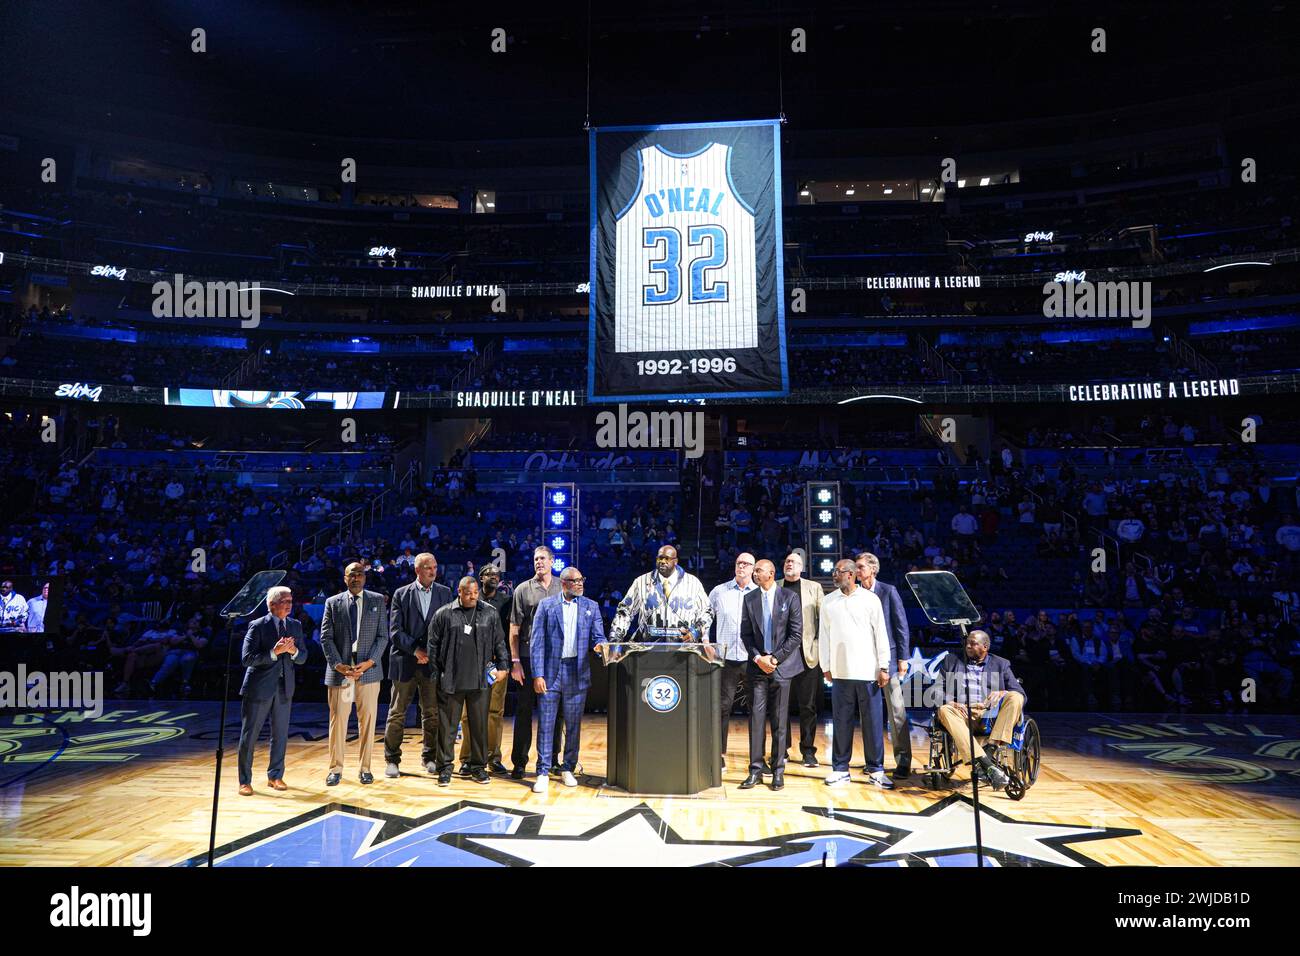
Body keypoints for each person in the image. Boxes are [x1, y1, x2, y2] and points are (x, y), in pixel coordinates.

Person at [528, 566, 607, 792]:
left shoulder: (591, 606)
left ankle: (567, 768)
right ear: (564, 584)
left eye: (582, 580)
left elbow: (599, 637)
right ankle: (542, 771)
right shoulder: (546, 605)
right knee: (546, 724)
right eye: (575, 581)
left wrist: (600, 647)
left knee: (573, 725)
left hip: (577, 672)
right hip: (551, 672)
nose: (580, 584)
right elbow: (537, 642)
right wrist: (538, 674)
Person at [428, 576, 510, 786]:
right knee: (447, 728)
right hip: (451, 681)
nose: (473, 596)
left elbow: (499, 641)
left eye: (475, 593)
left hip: (480, 680)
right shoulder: (444, 613)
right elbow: (433, 646)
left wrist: (503, 666)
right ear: (459, 592)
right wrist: (437, 675)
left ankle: (478, 768)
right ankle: (445, 768)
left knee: (479, 727)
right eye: (468, 593)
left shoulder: (489, 613)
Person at [820, 560, 893, 789]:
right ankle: (840, 769)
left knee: (872, 723)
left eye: (838, 572)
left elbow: (881, 634)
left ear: (850, 574)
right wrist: (826, 666)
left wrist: (884, 666)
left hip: (868, 671)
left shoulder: (870, 600)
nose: (834, 575)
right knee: (841, 722)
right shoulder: (828, 601)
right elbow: (824, 636)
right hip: (840, 672)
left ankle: (876, 770)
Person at [319, 562, 390, 786]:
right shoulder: (332, 602)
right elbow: (326, 638)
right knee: (338, 721)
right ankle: (335, 769)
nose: (356, 578)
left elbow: (383, 637)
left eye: (360, 574)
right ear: (345, 578)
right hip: (340, 672)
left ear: (365, 578)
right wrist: (338, 664)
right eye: (352, 575)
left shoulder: (377, 600)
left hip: (367, 671)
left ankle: (365, 769)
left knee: (368, 722)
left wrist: (369, 662)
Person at [236, 586, 309, 795]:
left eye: (290, 600)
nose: (289, 604)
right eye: (284, 600)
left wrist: (293, 650)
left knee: (280, 735)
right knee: (250, 735)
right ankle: (244, 780)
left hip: (284, 688)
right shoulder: (257, 626)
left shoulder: (294, 625)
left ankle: (275, 776)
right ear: (272, 604)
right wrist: (274, 652)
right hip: (259, 687)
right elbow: (247, 659)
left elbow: (303, 657)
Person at [737, 559, 802, 792]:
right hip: (757, 668)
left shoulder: (789, 598)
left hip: (781, 668)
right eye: (754, 570)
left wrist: (774, 659)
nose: (754, 573)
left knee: (779, 721)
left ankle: (778, 771)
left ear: (771, 573)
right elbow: (745, 635)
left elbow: (796, 635)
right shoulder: (749, 598)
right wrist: (758, 658)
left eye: (758, 570)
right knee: (755, 719)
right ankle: (755, 770)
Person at [384, 553, 451, 779]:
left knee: (431, 714)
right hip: (405, 662)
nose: (433, 571)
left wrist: (431, 654)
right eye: (427, 567)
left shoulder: (444, 592)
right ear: (417, 570)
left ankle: (429, 757)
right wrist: (415, 650)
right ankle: (392, 759)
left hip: (431, 665)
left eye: (434, 566)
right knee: (397, 713)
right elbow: (395, 631)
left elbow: (447, 629)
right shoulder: (401, 594)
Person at [934, 629, 1027, 791]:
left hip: (990, 714)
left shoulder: (1001, 664)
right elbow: (936, 690)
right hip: (962, 712)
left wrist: (1003, 692)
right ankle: (987, 764)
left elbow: (1021, 694)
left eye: (973, 643)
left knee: (1015, 697)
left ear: (985, 647)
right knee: (943, 709)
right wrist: (951, 702)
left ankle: (990, 750)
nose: (968, 646)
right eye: (967, 643)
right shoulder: (952, 660)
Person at [855, 552, 913, 778]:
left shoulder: (888, 591)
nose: (857, 571)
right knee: (867, 713)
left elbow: (901, 625)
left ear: (872, 569)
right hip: (862, 662)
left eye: (860, 567)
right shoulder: (856, 594)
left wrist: (903, 657)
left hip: (888, 660)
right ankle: (873, 760)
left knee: (896, 712)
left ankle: (903, 761)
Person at [508, 546, 562, 780]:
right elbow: (514, 629)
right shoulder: (523, 589)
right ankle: (519, 762)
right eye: (535, 559)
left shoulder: (563, 586)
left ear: (552, 561)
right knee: (523, 711)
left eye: (542, 559)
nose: (538, 562)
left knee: (555, 712)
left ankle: (553, 760)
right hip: (529, 658)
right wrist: (516, 661)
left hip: (557, 659)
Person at [707, 552, 757, 768]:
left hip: (751, 658)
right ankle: (717, 754)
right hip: (725, 657)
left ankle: (756, 758)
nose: (741, 567)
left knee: (756, 708)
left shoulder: (759, 592)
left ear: (753, 569)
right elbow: (704, 616)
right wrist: (704, 641)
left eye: (746, 564)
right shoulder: (720, 591)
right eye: (738, 563)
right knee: (722, 706)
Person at [462, 563, 511, 774]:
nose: (493, 577)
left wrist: (505, 663)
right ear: (480, 578)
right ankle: (467, 758)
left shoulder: (507, 601)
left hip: (496, 663)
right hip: (471, 662)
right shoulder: (471, 597)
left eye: (496, 574)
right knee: (467, 714)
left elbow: (509, 634)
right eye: (488, 574)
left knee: (494, 712)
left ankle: (493, 757)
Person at [609, 544, 713, 643]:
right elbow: (625, 611)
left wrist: (696, 632)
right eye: (660, 558)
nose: (662, 561)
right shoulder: (640, 582)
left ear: (675, 561)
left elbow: (707, 611)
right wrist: (615, 640)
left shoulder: (693, 583)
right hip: (648, 649)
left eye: (667, 558)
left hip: (684, 648)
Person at [781, 551, 824, 767]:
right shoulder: (776, 585)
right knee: (781, 706)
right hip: (781, 657)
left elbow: (823, 621)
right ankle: (782, 750)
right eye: (787, 561)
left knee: (808, 706)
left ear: (802, 567)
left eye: (794, 562)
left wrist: (818, 648)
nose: (789, 564)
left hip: (807, 656)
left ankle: (808, 750)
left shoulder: (813, 587)